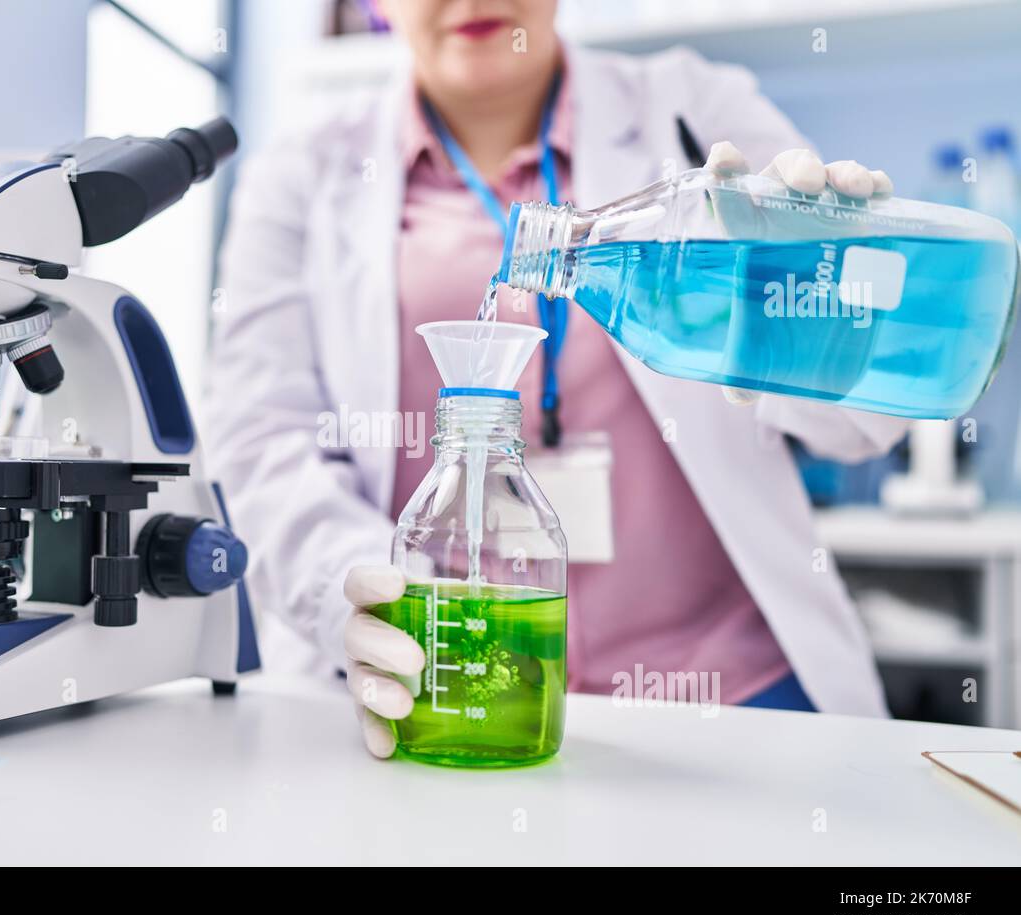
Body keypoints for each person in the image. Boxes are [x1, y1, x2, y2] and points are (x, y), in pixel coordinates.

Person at [205, 0, 909, 757]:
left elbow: (868, 423)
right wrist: (361, 595)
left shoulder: (695, 111)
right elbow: (259, 440)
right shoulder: (304, 171)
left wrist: (828, 325)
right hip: (452, 686)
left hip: (731, 698)